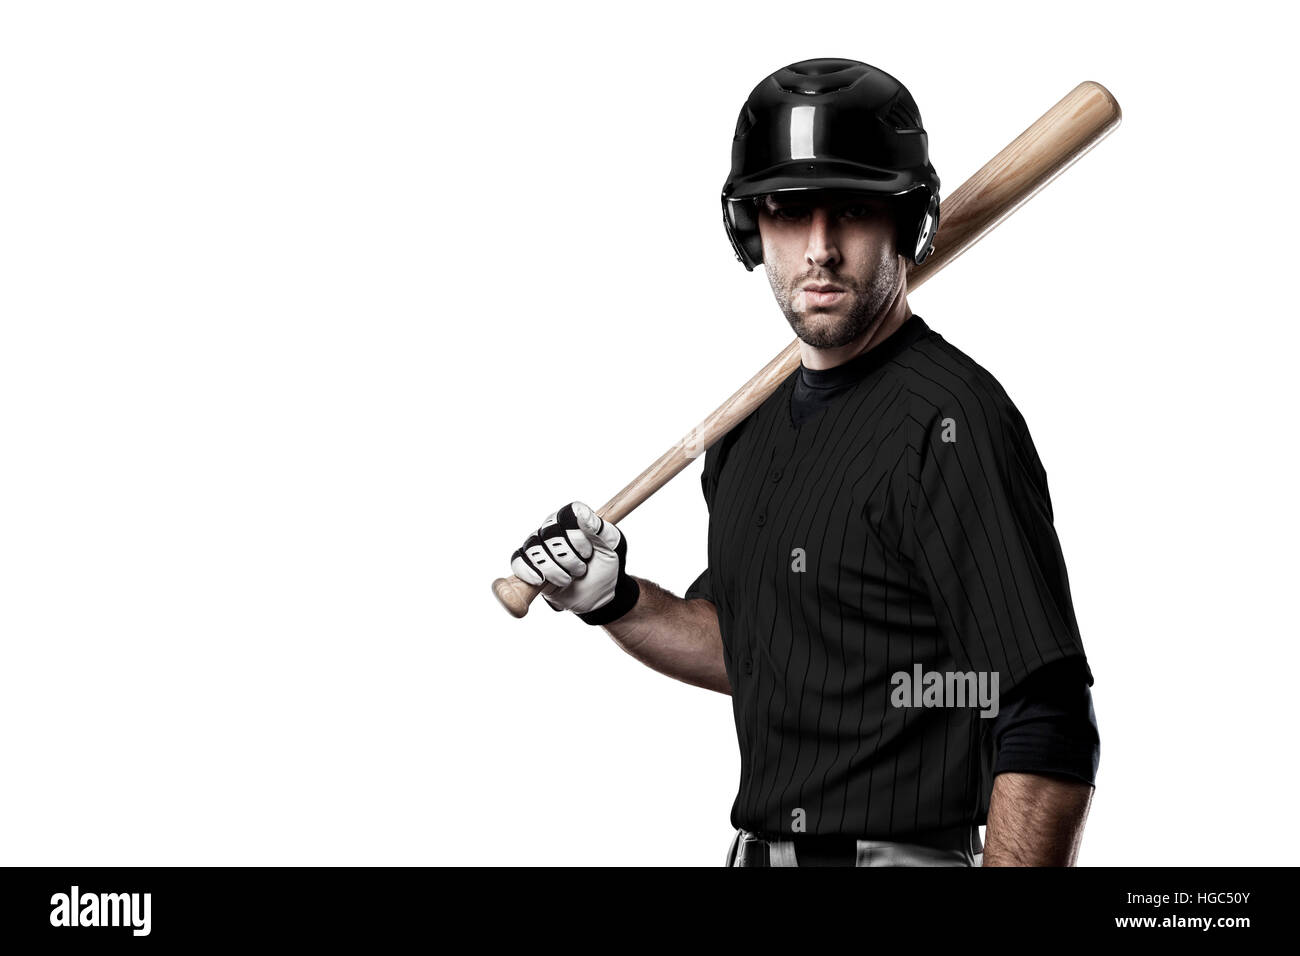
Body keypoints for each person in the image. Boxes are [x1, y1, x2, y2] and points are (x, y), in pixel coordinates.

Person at [509, 58, 1099, 867]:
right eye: (789, 212)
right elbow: (757, 653)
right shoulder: (743, 435)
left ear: (907, 224)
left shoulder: (952, 420)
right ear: (751, 228)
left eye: (853, 210)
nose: (819, 249)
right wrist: (613, 600)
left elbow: (1046, 714)